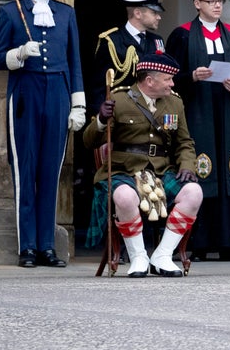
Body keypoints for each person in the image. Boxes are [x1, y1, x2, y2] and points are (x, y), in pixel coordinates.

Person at [0, 0, 86, 268]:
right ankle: (27, 247)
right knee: (25, 170)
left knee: (51, 173)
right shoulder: (10, 12)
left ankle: (47, 246)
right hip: (26, 94)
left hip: (58, 94)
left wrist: (78, 104)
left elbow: (75, 62)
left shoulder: (66, 13)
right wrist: (18, 53)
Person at [82, 53, 203, 277]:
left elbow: (185, 142)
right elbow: (88, 142)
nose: (172, 84)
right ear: (149, 80)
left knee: (194, 192)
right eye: (168, 79)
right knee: (125, 197)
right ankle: (138, 256)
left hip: (160, 171)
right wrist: (100, 119)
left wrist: (188, 166)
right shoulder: (119, 100)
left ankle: (163, 255)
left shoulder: (175, 102)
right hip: (123, 170)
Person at [165, 0, 230, 261]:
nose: (217, 6)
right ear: (197, 4)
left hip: (229, 115)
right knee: (202, 171)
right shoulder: (181, 36)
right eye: (211, 1)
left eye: (220, 1)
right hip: (198, 114)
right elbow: (169, 80)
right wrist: (191, 77)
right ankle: (200, 242)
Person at [89, 0, 167, 111]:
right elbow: (99, 84)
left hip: (153, 108)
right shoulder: (112, 41)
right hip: (124, 109)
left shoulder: (157, 41)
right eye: (154, 12)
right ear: (138, 13)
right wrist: (100, 114)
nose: (159, 17)